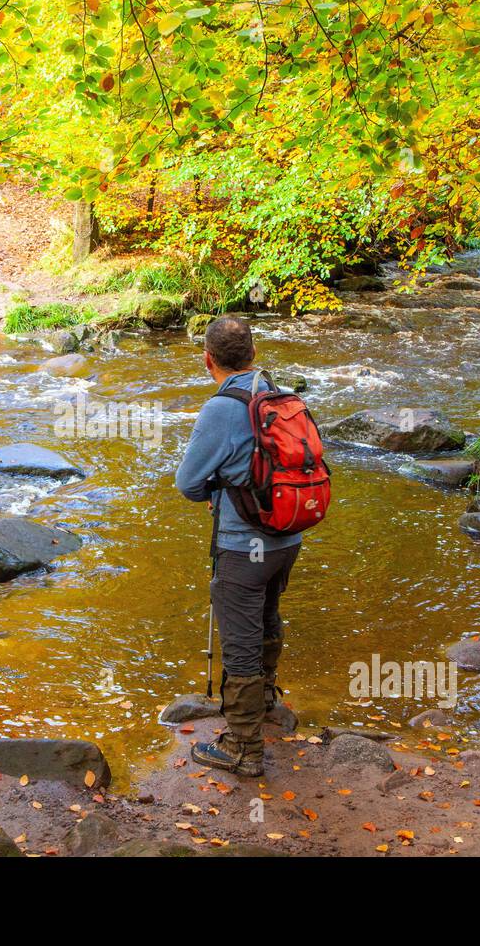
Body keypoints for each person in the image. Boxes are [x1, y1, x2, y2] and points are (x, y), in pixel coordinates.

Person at [175, 315, 302, 777]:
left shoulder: (222, 408)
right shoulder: (279, 394)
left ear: (207, 359)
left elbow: (187, 482)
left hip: (243, 543)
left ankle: (244, 748)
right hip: (289, 534)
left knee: (240, 641)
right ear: (253, 354)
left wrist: (215, 492)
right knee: (268, 616)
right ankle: (267, 702)